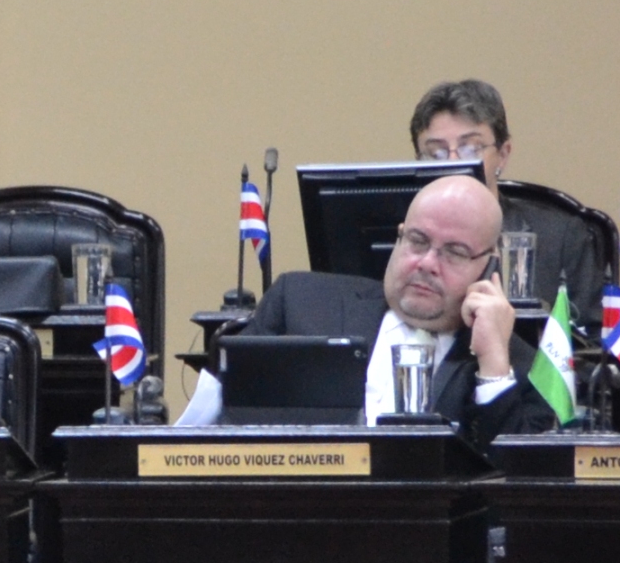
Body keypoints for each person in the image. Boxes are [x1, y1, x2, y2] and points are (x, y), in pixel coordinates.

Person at [179, 168, 551, 438]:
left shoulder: (518, 364)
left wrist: (492, 365)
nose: (427, 263)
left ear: (488, 266)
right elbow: (220, 428)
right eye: (418, 241)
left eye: (454, 252)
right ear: (399, 237)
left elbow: (512, 485)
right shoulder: (300, 303)